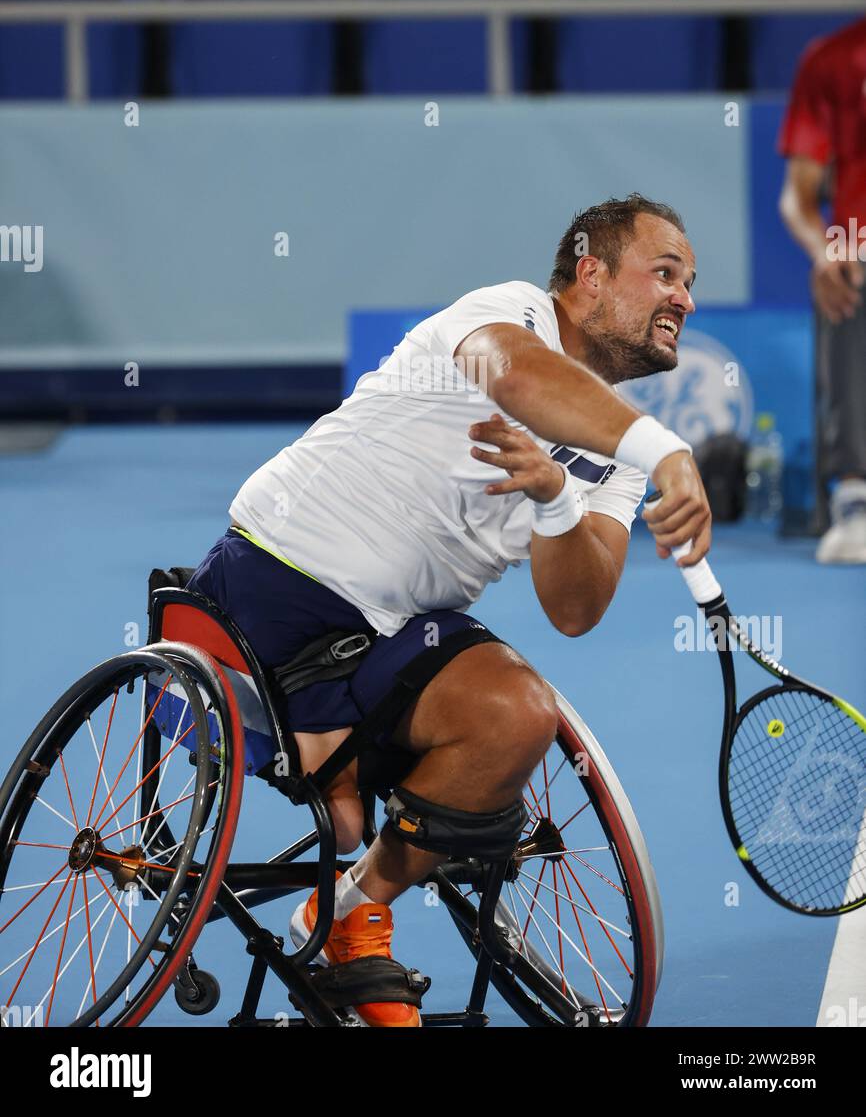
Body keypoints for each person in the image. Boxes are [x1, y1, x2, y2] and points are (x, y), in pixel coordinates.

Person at [188, 193, 710, 1026]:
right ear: (590, 274)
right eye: (666, 274)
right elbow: (518, 377)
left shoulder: (615, 457)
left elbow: (576, 607)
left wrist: (554, 501)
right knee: (343, 807)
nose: (685, 297)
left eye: (691, 283)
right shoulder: (508, 316)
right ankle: (342, 798)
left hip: (396, 638)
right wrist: (668, 447)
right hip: (276, 584)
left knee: (517, 714)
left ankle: (349, 910)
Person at [779, 0, 866, 563]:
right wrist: (825, 250)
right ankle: (856, 495)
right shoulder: (832, 60)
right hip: (861, 245)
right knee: (845, 272)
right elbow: (797, 198)